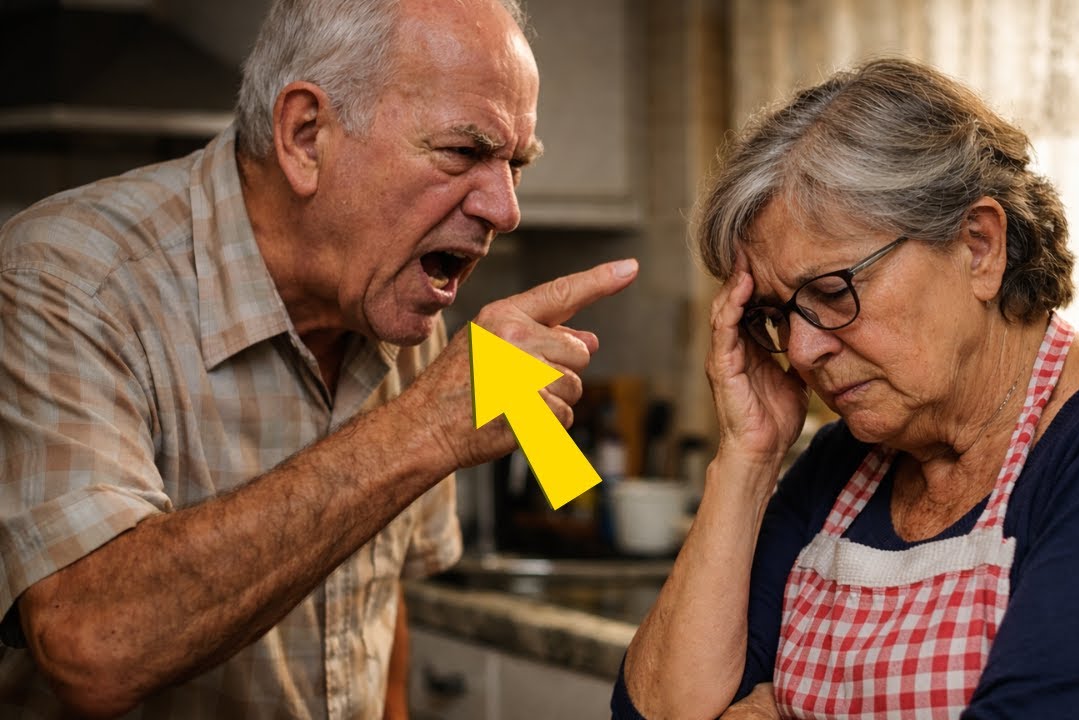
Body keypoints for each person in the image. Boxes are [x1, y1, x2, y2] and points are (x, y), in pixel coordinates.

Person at [0, 0, 639, 716]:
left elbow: (381, 604)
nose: (506, 208)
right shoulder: (66, 277)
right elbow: (91, 645)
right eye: (464, 152)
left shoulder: (405, 305)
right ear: (306, 135)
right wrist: (426, 428)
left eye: (516, 164)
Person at [613, 57, 1079, 718]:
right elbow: (655, 714)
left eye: (831, 290)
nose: (806, 349)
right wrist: (747, 459)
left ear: (979, 246)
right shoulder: (839, 466)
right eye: (777, 314)